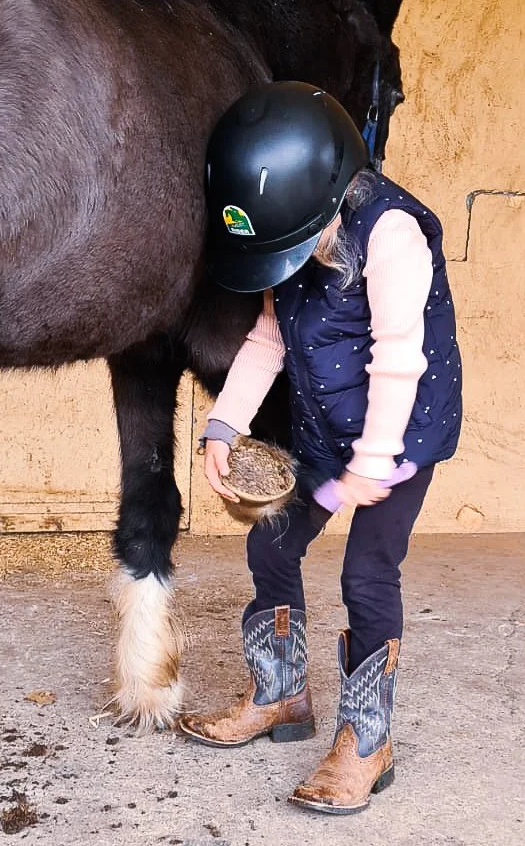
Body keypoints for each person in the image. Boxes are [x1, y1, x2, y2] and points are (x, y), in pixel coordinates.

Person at [179, 81, 462, 815]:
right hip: (323, 428)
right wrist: (225, 424)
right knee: (271, 545)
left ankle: (368, 740)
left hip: (398, 437)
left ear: (326, 195)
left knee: (367, 574)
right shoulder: (293, 229)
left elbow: (400, 360)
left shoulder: (391, 236)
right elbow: (270, 336)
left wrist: (372, 462)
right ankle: (283, 694)